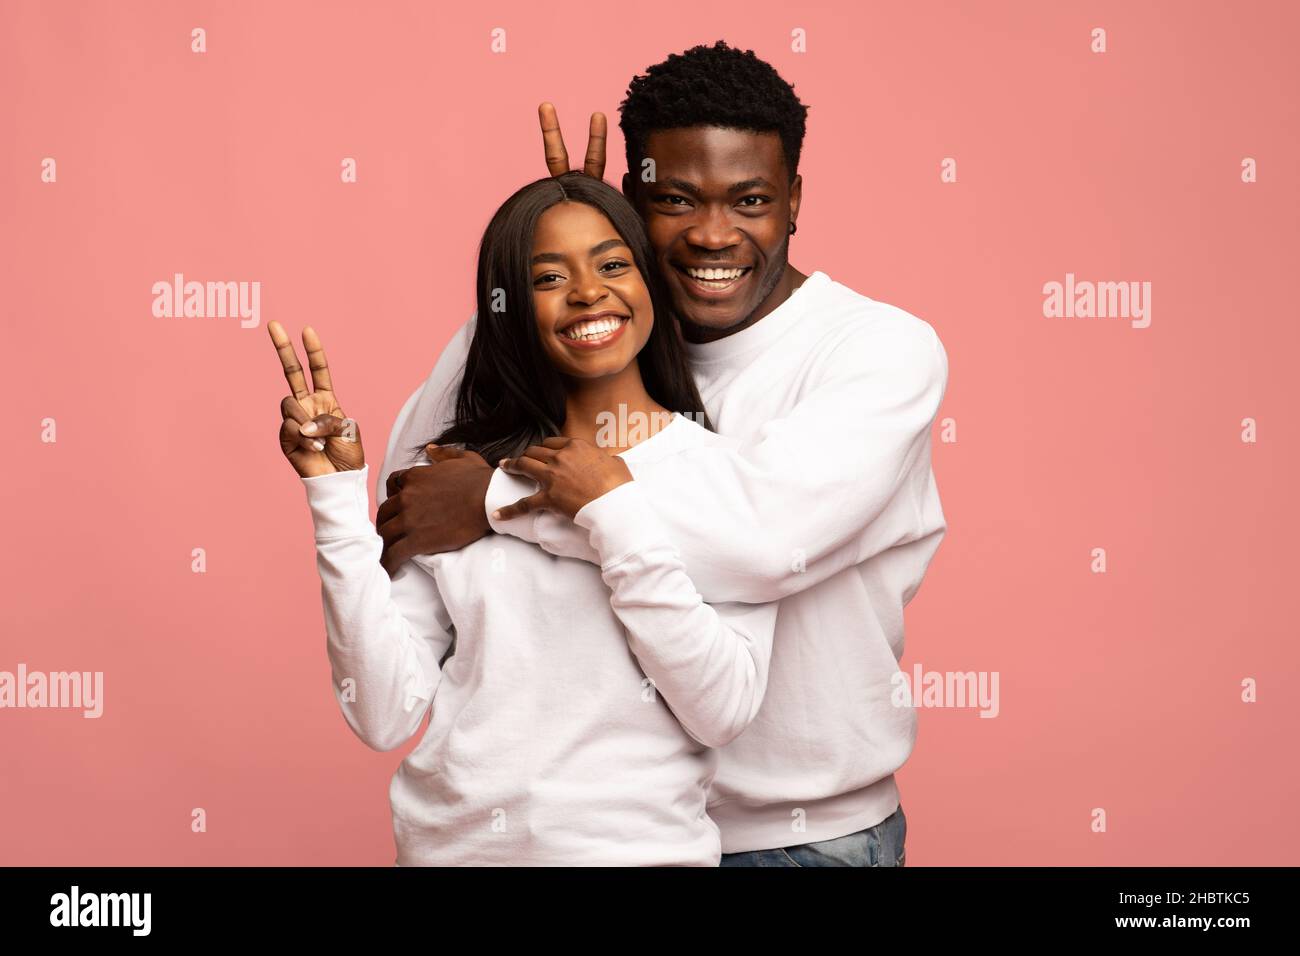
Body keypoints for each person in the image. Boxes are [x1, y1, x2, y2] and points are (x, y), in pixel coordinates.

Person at [376, 41, 948, 866]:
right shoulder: (607, 333)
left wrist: (499, 501)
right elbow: (419, 492)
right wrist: (538, 270)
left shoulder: (878, 350)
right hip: (605, 837)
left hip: (801, 838)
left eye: (749, 200)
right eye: (675, 200)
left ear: (793, 200)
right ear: (635, 206)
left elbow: (759, 543)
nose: (715, 235)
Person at [268, 172, 777, 866]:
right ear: (507, 308)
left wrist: (610, 510)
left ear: (649, 283)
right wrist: (334, 500)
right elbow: (382, 714)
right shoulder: (457, 480)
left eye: (612, 264)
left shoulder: (720, 476)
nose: (588, 291)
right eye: (547, 277)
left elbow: (722, 709)